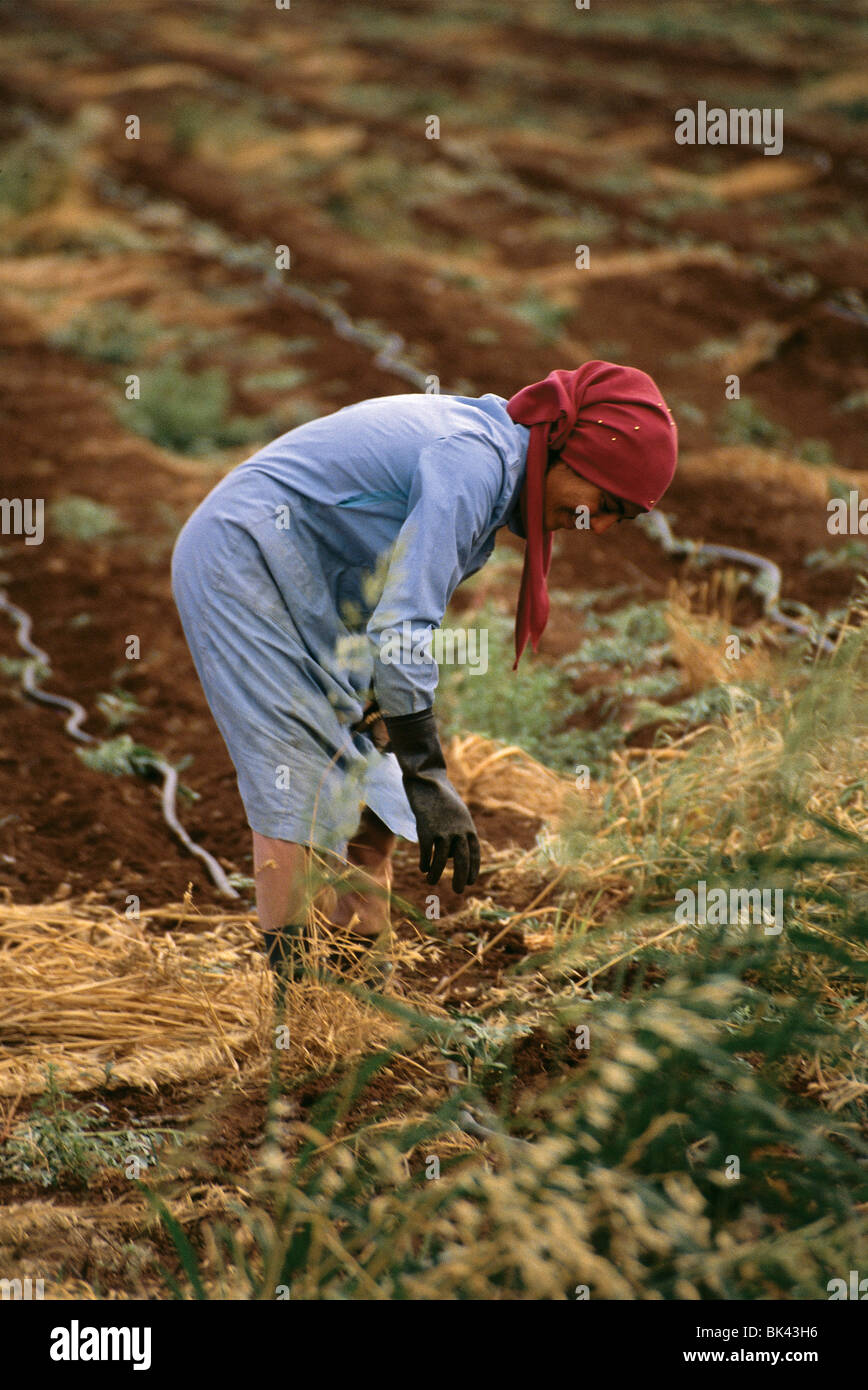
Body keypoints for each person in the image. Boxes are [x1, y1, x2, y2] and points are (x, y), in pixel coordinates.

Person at [170, 361, 677, 974]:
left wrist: (389, 725)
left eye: (617, 519)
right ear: (568, 454)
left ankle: (362, 984)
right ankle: (300, 1010)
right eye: (602, 502)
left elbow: (387, 597)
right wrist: (428, 770)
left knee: (373, 801)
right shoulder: (474, 463)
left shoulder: (496, 475)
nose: (593, 526)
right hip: (245, 562)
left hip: (316, 592)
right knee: (301, 781)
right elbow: (404, 626)